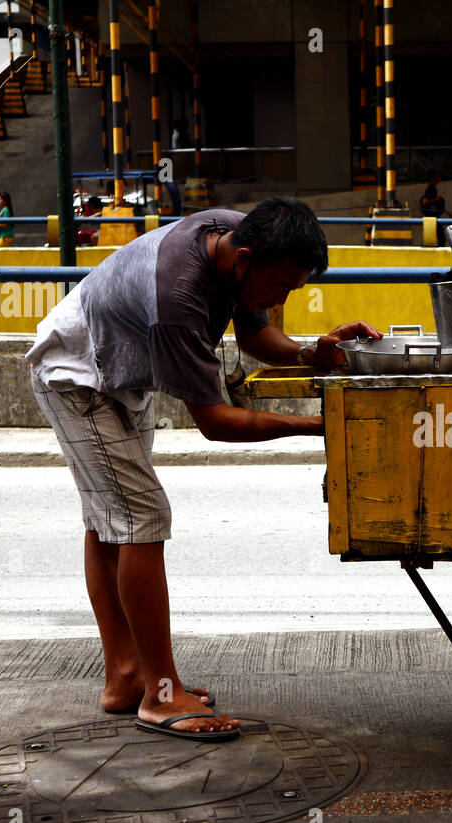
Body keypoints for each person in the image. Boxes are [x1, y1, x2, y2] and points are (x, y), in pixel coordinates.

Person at [25, 198, 380, 741]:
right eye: (281, 286)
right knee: (141, 516)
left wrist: (313, 352)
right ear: (243, 262)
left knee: (110, 521)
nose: (281, 298)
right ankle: (161, 695)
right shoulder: (180, 295)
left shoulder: (241, 239)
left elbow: (256, 334)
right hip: (77, 374)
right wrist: (317, 427)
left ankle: (124, 676)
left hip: (121, 370)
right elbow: (215, 422)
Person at [420, 171, 451, 245]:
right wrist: (437, 198)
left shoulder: (432, 188)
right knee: (440, 239)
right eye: (438, 176)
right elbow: (425, 202)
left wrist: (448, 213)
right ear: (433, 178)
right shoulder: (430, 188)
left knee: (440, 238)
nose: (439, 178)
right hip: (431, 217)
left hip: (434, 217)